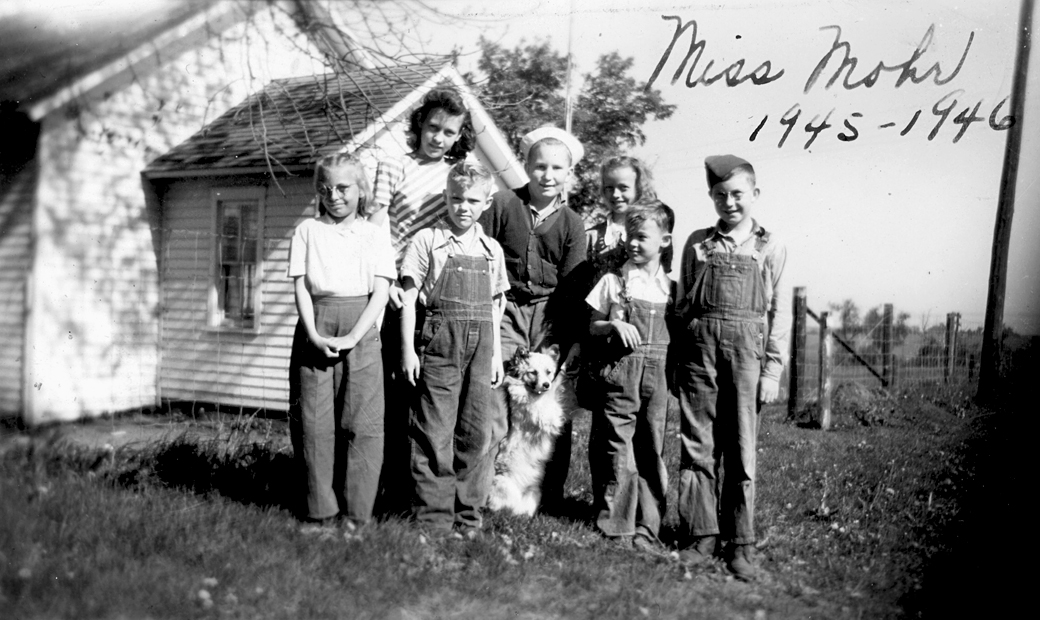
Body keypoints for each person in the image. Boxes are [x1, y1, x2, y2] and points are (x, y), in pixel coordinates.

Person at [673, 155, 789, 581]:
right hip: (699, 354)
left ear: (754, 194)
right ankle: (700, 536)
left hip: (746, 357)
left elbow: (779, 315)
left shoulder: (770, 246)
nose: (730, 202)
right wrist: (678, 359)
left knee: (741, 449)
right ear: (711, 196)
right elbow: (682, 305)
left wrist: (772, 371)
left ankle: (740, 543)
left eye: (738, 194)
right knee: (697, 446)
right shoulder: (697, 243)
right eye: (720, 195)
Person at [369, 87, 476, 516]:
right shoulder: (394, 165)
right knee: (394, 394)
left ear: (459, 135)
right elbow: (377, 226)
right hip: (397, 291)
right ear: (419, 125)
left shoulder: (458, 175)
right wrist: (387, 280)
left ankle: (421, 495)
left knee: (429, 400)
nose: (438, 138)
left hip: (441, 296)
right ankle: (384, 493)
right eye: (433, 127)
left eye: (449, 132)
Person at [477, 125, 588, 512]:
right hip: (505, 308)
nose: (547, 175)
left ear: (569, 174)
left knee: (549, 400)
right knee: (496, 391)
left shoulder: (572, 223)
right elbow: (482, 253)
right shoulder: (503, 204)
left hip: (548, 315)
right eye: (540, 166)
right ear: (526, 166)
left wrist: (564, 341)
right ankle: (486, 486)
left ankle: (547, 492)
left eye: (557, 168)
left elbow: (573, 288)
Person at [399, 161, 509, 537]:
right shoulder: (427, 240)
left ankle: (467, 517)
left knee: (475, 433)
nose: (463, 207)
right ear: (446, 197)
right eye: (456, 198)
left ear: (487, 203)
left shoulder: (492, 249)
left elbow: (495, 306)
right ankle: (433, 521)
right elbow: (409, 297)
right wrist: (408, 350)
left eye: (473, 200)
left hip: (482, 347)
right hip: (439, 343)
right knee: (434, 432)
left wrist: (495, 355)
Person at [287, 152, 395, 527]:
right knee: (313, 424)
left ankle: (356, 515)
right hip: (315, 327)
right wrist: (314, 335)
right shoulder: (307, 231)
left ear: (361, 189)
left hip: (361, 329)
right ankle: (319, 512)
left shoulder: (374, 235)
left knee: (362, 424)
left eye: (343, 187)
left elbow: (380, 292)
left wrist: (353, 336)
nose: (334, 196)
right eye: (326, 188)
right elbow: (301, 288)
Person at [585, 201, 675, 552]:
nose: (633, 244)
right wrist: (613, 324)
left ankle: (649, 524)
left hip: (657, 379)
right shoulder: (614, 281)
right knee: (616, 447)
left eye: (642, 237)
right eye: (629, 236)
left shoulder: (671, 288)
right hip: (621, 375)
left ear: (664, 241)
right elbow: (592, 326)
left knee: (651, 447)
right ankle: (616, 523)